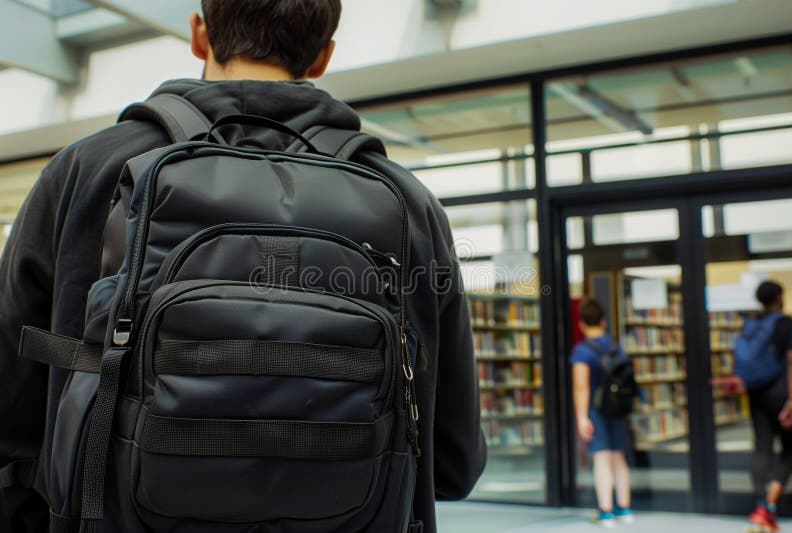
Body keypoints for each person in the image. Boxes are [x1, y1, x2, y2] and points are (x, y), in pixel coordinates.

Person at [0, 2, 486, 531]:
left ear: (199, 34)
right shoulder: (408, 204)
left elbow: (11, 406)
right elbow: (452, 464)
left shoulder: (88, 171)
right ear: (323, 56)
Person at [570, 298, 634, 528]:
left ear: (581, 324)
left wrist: (581, 417)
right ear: (604, 322)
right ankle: (625, 508)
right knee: (619, 457)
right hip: (618, 410)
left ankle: (605, 511)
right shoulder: (616, 346)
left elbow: (581, 386)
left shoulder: (583, 351)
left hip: (597, 411)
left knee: (601, 458)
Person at [744, 281, 792, 532]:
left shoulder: (752, 324)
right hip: (780, 394)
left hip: (756, 393)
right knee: (790, 448)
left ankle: (759, 506)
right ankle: (769, 505)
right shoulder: (785, 323)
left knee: (761, 447)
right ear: (779, 297)